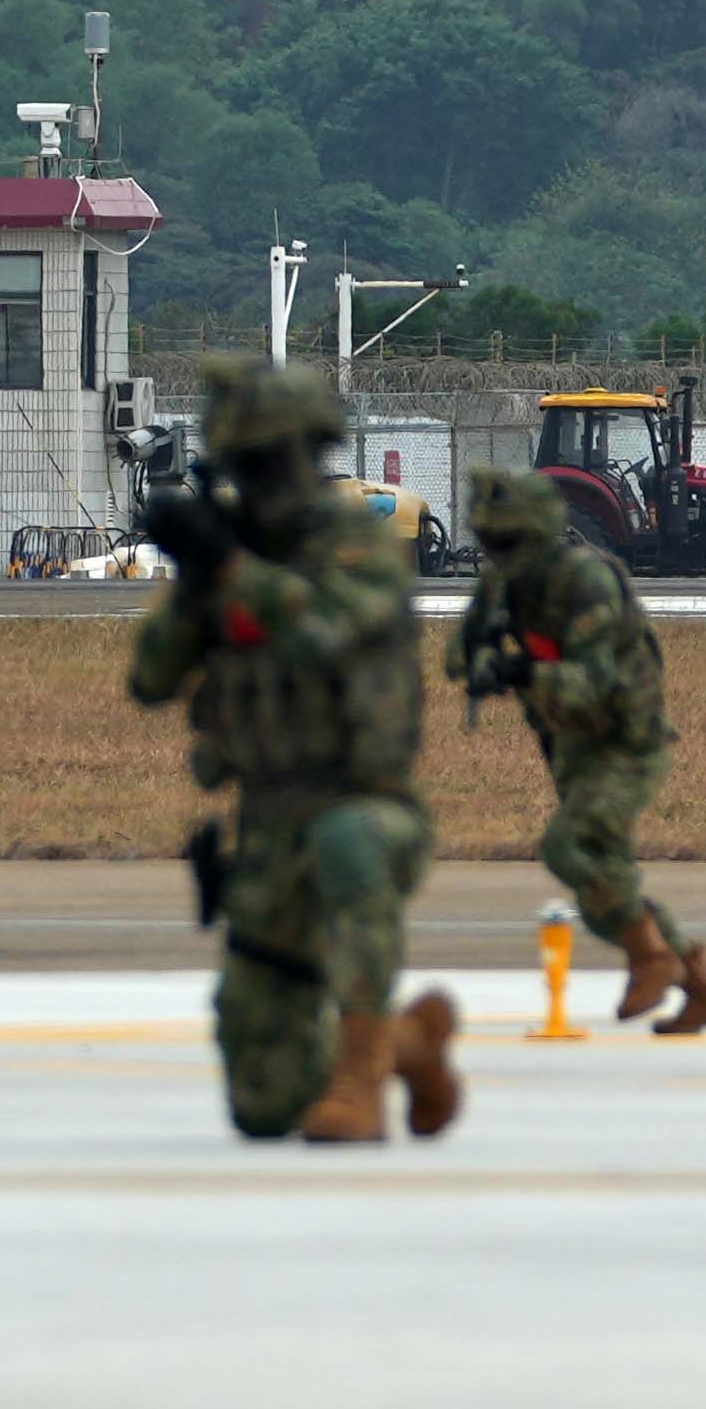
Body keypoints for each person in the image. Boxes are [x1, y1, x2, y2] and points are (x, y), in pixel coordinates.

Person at [129, 360, 459, 1144]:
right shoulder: (227, 558)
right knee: (264, 1105)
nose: (268, 481)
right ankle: (408, 1044)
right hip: (268, 830)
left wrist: (232, 571)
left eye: (279, 462)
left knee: (347, 842)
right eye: (251, 465)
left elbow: (323, 634)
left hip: (365, 810)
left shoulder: (355, 546)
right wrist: (196, 579)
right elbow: (150, 679)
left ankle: (362, 1080)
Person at [461, 470, 706, 1033]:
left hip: (624, 742)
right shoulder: (503, 585)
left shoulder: (586, 582)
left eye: (510, 542)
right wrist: (481, 654)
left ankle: (652, 957)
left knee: (568, 848)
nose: (499, 555)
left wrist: (521, 670)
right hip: (571, 745)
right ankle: (700, 983)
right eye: (491, 543)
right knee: (603, 880)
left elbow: (594, 681)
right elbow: (457, 658)